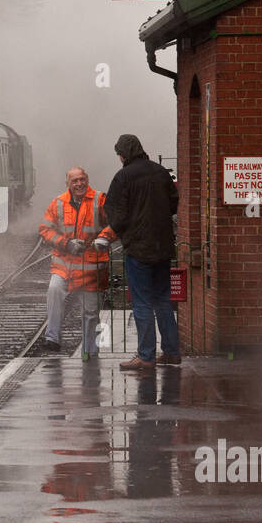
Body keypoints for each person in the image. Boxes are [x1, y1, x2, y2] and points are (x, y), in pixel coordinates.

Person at [104, 134, 180, 371]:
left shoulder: (123, 177)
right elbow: (174, 203)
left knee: (142, 303)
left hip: (138, 250)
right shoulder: (160, 172)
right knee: (163, 301)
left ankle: (146, 355)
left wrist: (119, 232)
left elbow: (115, 213)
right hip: (163, 247)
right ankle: (171, 352)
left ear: (123, 154)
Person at [38, 167, 114, 353]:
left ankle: (89, 353)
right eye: (75, 181)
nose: (79, 184)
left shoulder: (100, 200)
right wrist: (66, 243)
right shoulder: (58, 203)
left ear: (87, 180)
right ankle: (52, 338)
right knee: (54, 289)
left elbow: (116, 222)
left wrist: (105, 237)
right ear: (68, 184)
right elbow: (45, 229)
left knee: (90, 313)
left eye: (82, 179)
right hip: (65, 264)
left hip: (90, 267)